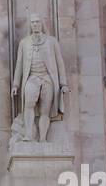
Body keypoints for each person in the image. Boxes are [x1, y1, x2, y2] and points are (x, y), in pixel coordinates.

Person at [11, 13, 69, 142]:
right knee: (29, 104)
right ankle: (28, 134)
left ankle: (43, 139)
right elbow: (19, 65)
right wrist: (16, 84)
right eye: (33, 22)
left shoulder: (51, 41)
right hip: (32, 78)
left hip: (48, 79)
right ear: (30, 25)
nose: (35, 24)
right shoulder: (24, 43)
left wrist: (63, 84)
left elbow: (60, 63)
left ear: (42, 23)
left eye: (37, 22)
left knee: (45, 110)